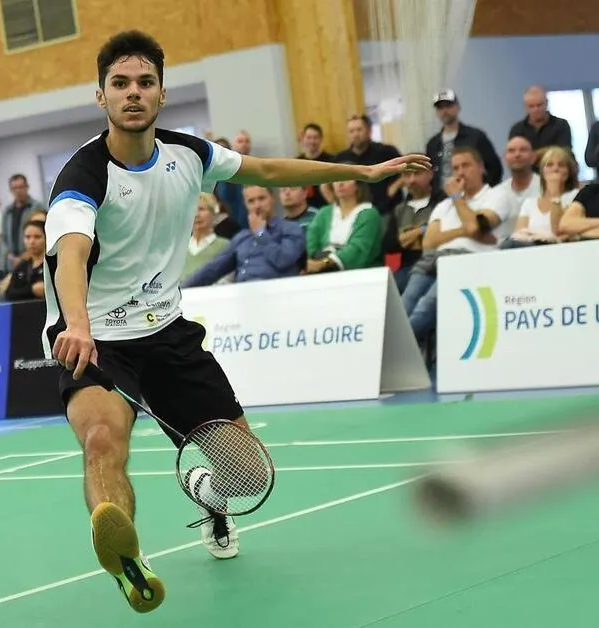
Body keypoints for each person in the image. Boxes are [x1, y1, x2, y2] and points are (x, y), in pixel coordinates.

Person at [42, 30, 430, 613]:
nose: (132, 93)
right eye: (119, 83)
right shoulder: (82, 177)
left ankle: (207, 492)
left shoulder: (190, 155)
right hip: (95, 337)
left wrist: (365, 173)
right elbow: (70, 253)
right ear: (101, 96)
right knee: (102, 438)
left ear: (162, 94)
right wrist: (76, 324)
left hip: (166, 331)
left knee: (247, 473)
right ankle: (126, 556)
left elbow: (267, 169)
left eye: (145, 82)